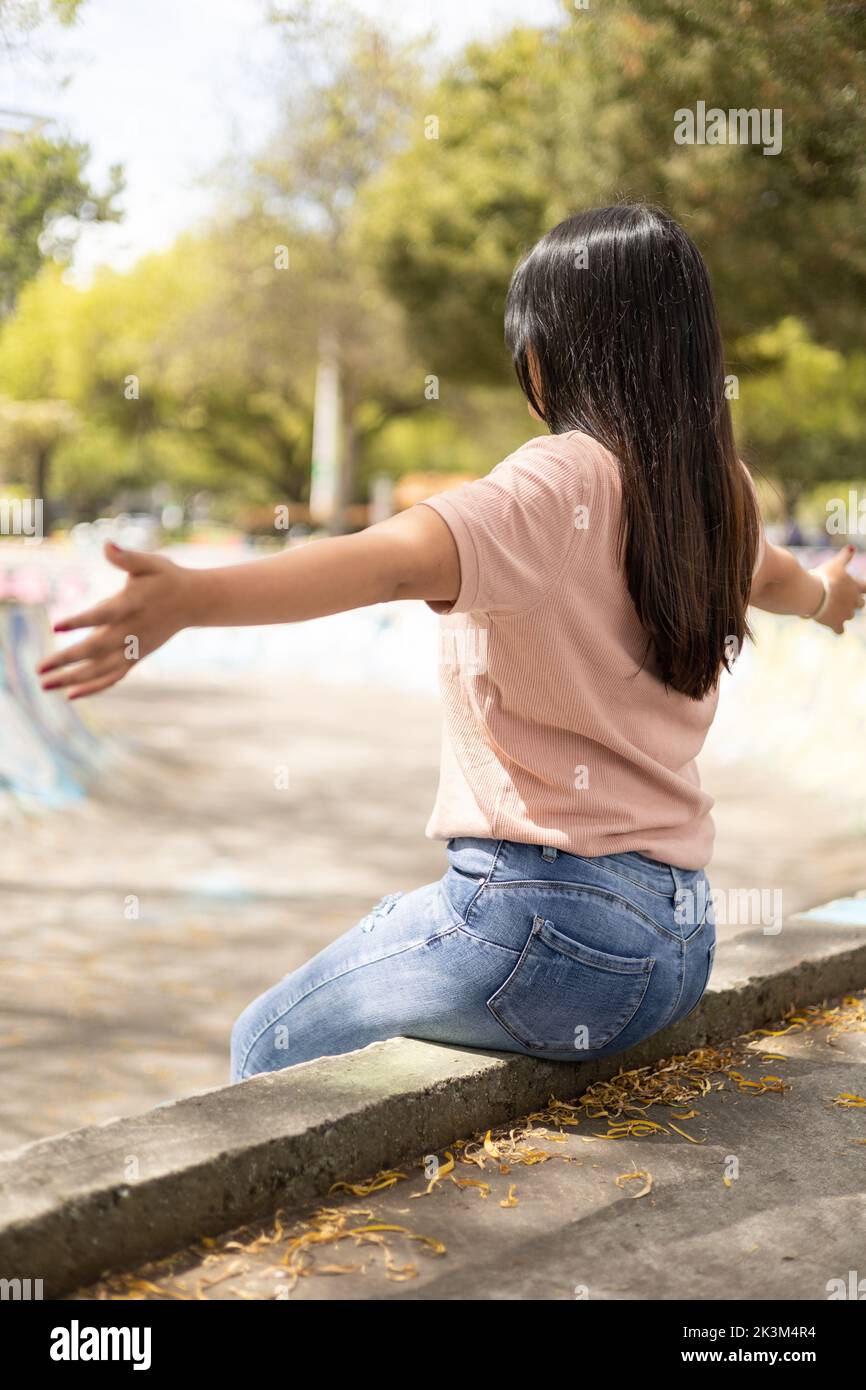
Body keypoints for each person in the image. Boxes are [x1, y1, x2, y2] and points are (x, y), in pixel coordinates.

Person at [38, 203, 866, 1080]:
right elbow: (777, 579)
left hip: (547, 934)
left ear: (553, 352)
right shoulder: (717, 487)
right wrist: (831, 599)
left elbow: (390, 562)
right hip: (678, 945)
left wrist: (196, 597)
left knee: (266, 1041)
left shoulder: (557, 481)